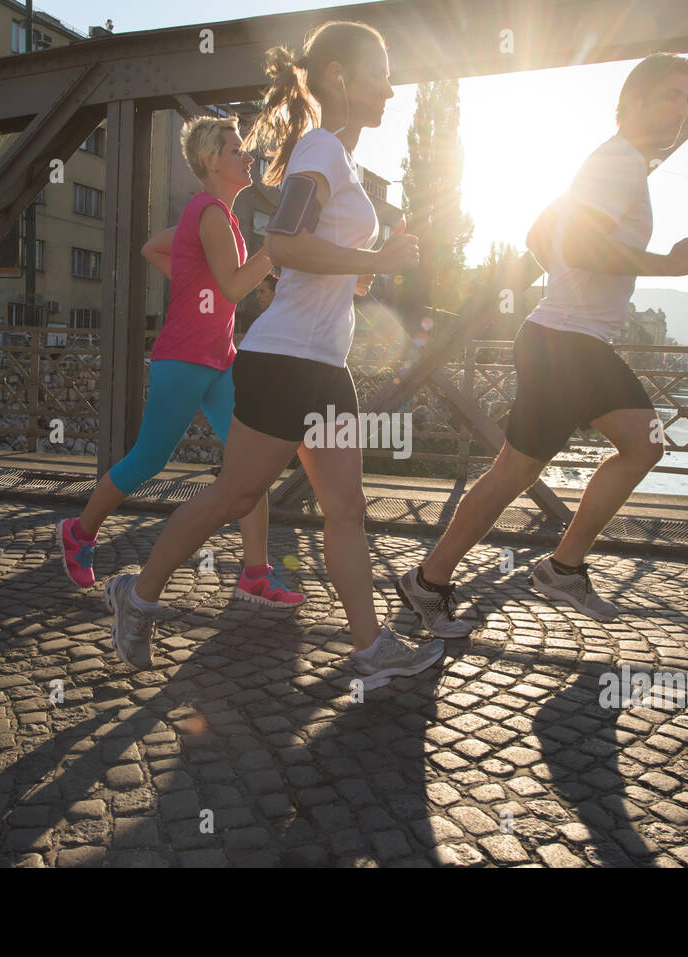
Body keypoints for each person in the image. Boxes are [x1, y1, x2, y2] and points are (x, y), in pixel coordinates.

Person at [103, 20, 444, 688]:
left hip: (325, 364)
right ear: (341, 76)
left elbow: (309, 258)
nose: (392, 85)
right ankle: (136, 596)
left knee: (345, 509)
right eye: (380, 69)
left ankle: (371, 650)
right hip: (283, 360)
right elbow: (284, 242)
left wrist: (358, 273)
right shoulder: (319, 147)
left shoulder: (337, 160)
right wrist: (374, 255)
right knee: (236, 493)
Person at [397, 53, 688, 637]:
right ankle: (429, 581)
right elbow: (584, 248)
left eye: (686, 100)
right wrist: (669, 263)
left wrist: (572, 281)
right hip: (563, 343)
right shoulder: (616, 162)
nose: (681, 110)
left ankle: (563, 567)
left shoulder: (618, 165)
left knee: (643, 445)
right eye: (671, 95)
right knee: (512, 473)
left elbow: (541, 234)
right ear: (635, 100)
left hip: (579, 341)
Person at [57, 115, 305, 611]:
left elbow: (157, 248)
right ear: (212, 161)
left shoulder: (219, 215)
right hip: (184, 356)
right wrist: (271, 251)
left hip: (219, 357)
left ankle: (255, 574)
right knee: (148, 460)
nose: (247, 156)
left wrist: (193, 279)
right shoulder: (210, 212)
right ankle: (78, 532)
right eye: (237, 150)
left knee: (248, 469)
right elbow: (235, 286)